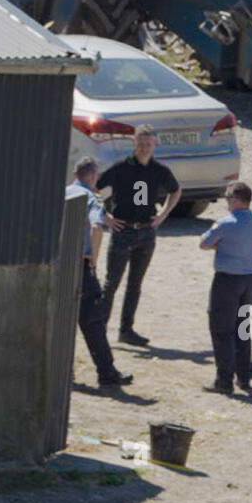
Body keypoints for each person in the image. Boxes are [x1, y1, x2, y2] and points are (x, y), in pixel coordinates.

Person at [95, 126, 182, 346]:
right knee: (111, 283)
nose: (144, 148)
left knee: (135, 283)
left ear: (155, 145)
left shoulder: (159, 170)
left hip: (146, 231)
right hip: (122, 230)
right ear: (134, 144)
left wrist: (163, 215)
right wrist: (105, 216)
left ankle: (126, 330)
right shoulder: (121, 168)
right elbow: (94, 189)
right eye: (141, 144)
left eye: (148, 144)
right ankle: (99, 330)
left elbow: (176, 190)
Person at [67, 158, 133, 388]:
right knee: (92, 320)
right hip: (81, 266)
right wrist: (93, 259)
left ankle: (64, 372)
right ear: (94, 177)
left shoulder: (64, 192)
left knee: (62, 320)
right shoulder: (92, 197)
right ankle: (107, 373)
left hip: (59, 266)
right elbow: (96, 226)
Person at [199, 182, 252, 395]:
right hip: (249, 279)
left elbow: (205, 243)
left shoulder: (226, 223)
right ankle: (244, 378)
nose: (227, 202)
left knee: (221, 330)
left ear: (236, 200)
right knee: (242, 329)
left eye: (228, 198)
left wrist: (222, 244)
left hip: (227, 280)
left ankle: (224, 380)